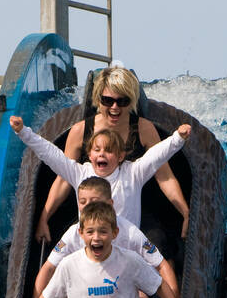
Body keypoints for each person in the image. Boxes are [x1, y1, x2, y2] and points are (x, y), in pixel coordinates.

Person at [33, 67, 190, 247]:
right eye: (108, 101)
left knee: (158, 242)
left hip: (133, 208)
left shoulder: (143, 129)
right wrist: (43, 218)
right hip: (89, 211)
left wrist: (185, 213)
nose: (115, 107)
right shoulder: (80, 131)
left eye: (122, 101)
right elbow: (63, 180)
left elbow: (165, 176)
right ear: (98, 99)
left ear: (131, 101)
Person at [27, 177, 180, 298]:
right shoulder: (71, 248)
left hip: (123, 296)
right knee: (60, 292)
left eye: (103, 232)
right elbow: (48, 275)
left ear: (115, 233)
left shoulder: (130, 240)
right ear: (82, 233)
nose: (96, 238)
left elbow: (160, 274)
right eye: (83, 202)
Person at [9, 116, 190, 231]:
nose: (102, 153)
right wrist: (24, 132)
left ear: (120, 156)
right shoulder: (80, 173)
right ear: (89, 154)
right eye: (97, 149)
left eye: (108, 150)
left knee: (159, 273)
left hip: (124, 248)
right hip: (89, 247)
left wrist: (178, 138)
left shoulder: (133, 173)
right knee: (52, 269)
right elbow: (51, 154)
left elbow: (156, 156)